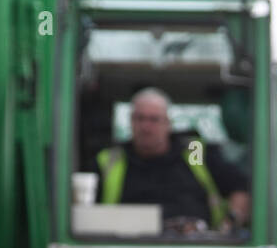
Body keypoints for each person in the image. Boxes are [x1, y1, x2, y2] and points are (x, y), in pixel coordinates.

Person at [94, 87, 251, 231]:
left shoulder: (194, 153)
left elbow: (239, 187)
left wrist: (229, 224)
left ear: (168, 123)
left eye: (154, 119)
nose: (146, 127)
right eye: (140, 118)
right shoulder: (111, 159)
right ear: (131, 121)